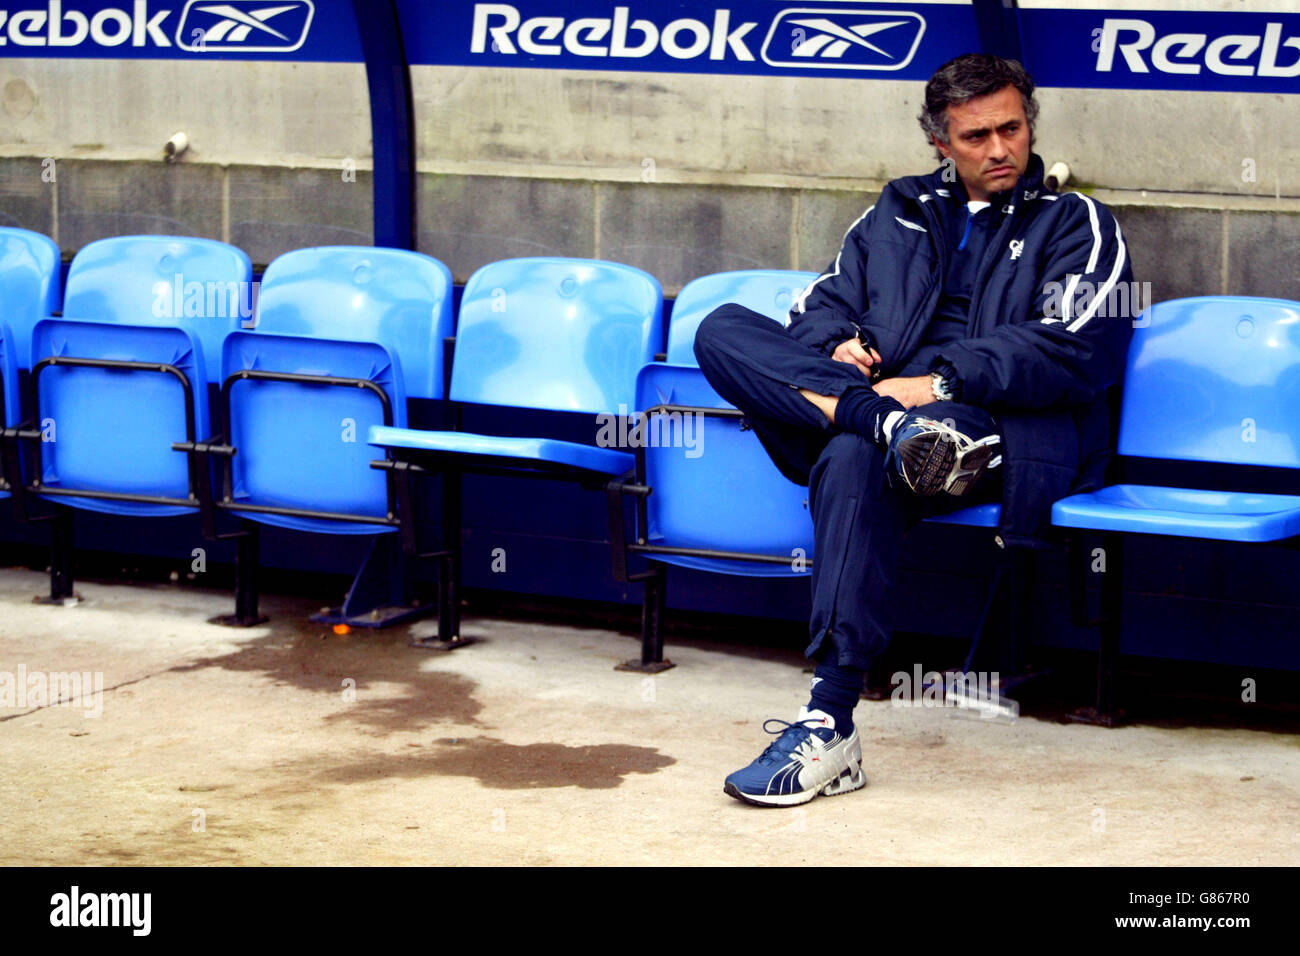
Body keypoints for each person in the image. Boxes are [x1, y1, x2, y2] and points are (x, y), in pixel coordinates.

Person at [693, 53, 1134, 807]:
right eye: (975, 136)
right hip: (879, 413)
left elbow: (1076, 344)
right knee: (723, 329)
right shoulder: (894, 210)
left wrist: (938, 382)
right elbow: (820, 306)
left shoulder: (1074, 222)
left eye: (1012, 129)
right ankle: (880, 424)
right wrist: (839, 347)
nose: (999, 149)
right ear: (940, 141)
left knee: (852, 451)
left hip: (994, 427)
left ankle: (826, 721)